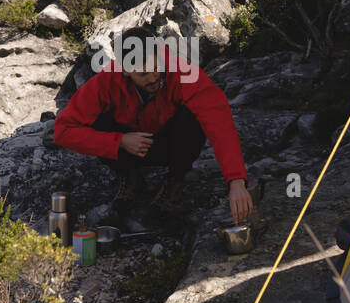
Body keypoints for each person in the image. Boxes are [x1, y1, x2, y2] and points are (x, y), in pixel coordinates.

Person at [53, 27, 254, 225]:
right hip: (128, 147)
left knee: (192, 116)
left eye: (156, 67)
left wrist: (236, 181)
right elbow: (63, 131)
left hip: (170, 145)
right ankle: (130, 176)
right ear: (125, 71)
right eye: (143, 74)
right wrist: (118, 141)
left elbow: (219, 121)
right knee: (97, 119)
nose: (153, 77)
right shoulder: (107, 81)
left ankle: (174, 181)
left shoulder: (181, 71)